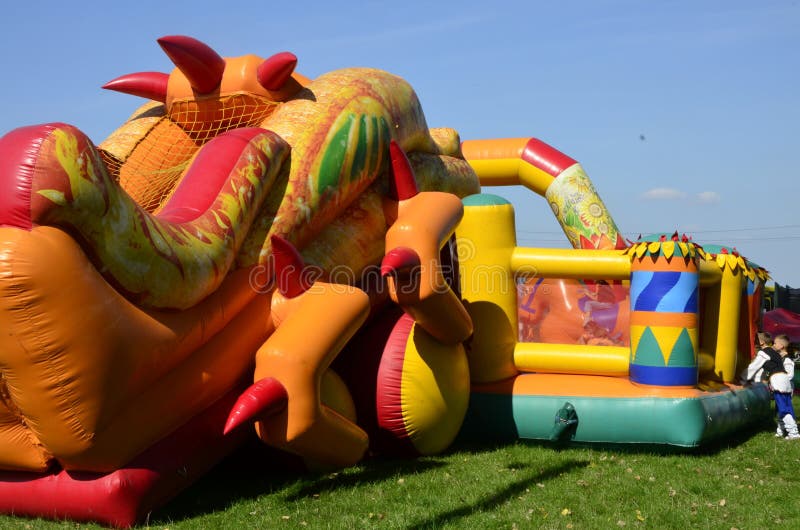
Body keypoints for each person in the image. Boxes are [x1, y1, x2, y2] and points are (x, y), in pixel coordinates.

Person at [742, 332, 799, 440]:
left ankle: (793, 433)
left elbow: (754, 367)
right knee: (784, 407)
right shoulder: (775, 354)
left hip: (779, 381)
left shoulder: (764, 353)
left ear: (761, 342)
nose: (774, 344)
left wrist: (744, 379)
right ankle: (783, 430)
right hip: (783, 382)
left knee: (783, 408)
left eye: (755, 340)